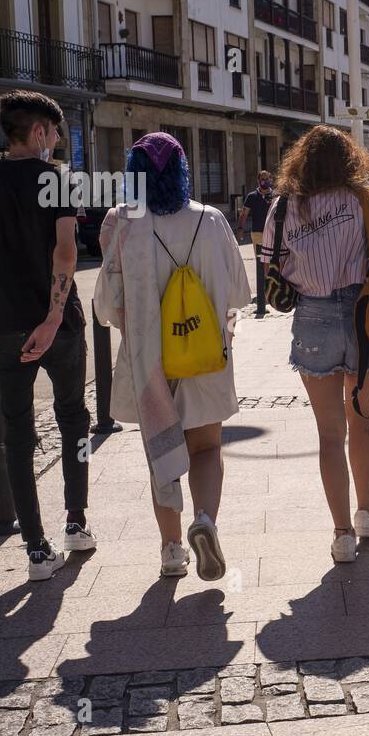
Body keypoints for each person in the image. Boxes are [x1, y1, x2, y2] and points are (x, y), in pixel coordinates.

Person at [94, 133, 252, 580]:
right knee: (206, 447)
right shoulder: (211, 219)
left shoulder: (122, 222)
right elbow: (238, 291)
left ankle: (171, 551)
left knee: (161, 450)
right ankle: (204, 519)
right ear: (183, 170)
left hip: (151, 362)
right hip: (203, 352)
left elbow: (107, 304)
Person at [0, 90, 92, 581]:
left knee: (17, 434)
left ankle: (35, 550)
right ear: (38, 133)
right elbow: (67, 253)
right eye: (54, 133)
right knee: (73, 419)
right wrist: (52, 319)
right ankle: (76, 522)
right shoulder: (57, 180)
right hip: (62, 326)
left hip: (6, 329)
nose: (55, 142)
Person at [261, 125, 369, 562]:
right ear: (350, 160)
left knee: (328, 435)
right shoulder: (363, 201)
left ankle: (341, 535)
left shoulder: (284, 208)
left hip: (314, 317)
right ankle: (365, 513)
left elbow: (269, 266)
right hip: (362, 318)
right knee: (361, 421)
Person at [238, 170, 274, 255]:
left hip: (273, 233)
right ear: (258, 181)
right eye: (262, 179)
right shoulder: (252, 196)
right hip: (257, 234)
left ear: (270, 180)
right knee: (260, 260)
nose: (264, 181)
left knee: (273, 262)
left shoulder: (275, 195)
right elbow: (244, 214)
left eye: (267, 179)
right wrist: (240, 229)